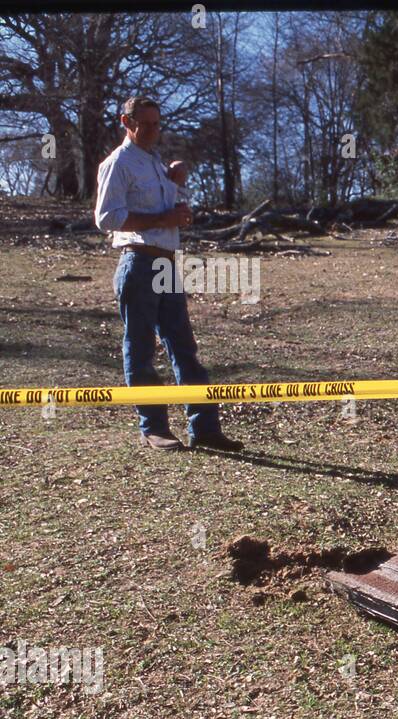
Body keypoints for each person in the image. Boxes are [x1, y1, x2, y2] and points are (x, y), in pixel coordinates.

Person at [93, 96, 243, 452]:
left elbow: (167, 212)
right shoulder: (118, 163)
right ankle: (154, 428)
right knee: (141, 348)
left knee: (184, 347)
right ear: (126, 123)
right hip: (137, 263)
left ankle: (205, 428)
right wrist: (164, 219)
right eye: (145, 125)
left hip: (166, 264)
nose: (153, 131)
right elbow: (107, 218)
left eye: (157, 124)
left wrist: (178, 193)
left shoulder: (154, 162)